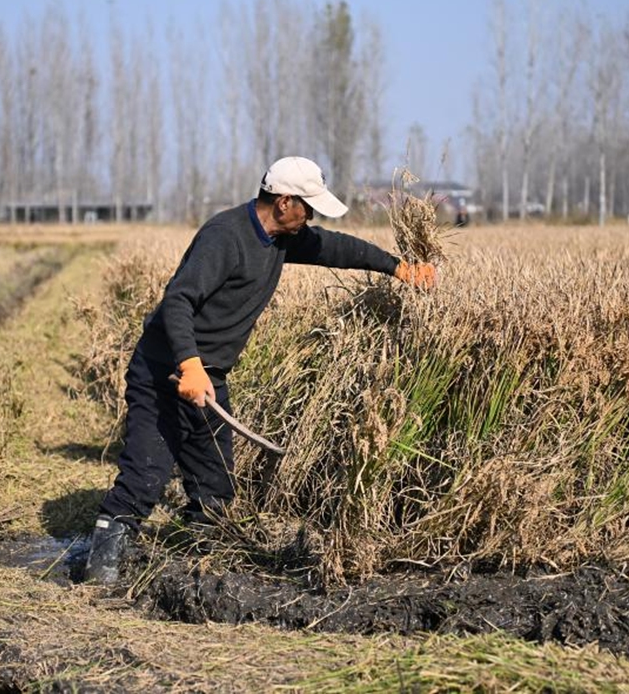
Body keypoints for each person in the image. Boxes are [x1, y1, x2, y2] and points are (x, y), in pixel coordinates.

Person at [84, 156, 437, 584]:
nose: (311, 217)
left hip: (207, 377)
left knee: (215, 488)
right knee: (145, 474)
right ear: (285, 201)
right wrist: (189, 365)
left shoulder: (284, 239)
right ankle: (97, 578)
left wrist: (398, 267)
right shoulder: (225, 237)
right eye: (308, 207)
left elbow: (338, 248)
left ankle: (193, 573)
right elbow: (178, 300)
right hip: (165, 373)